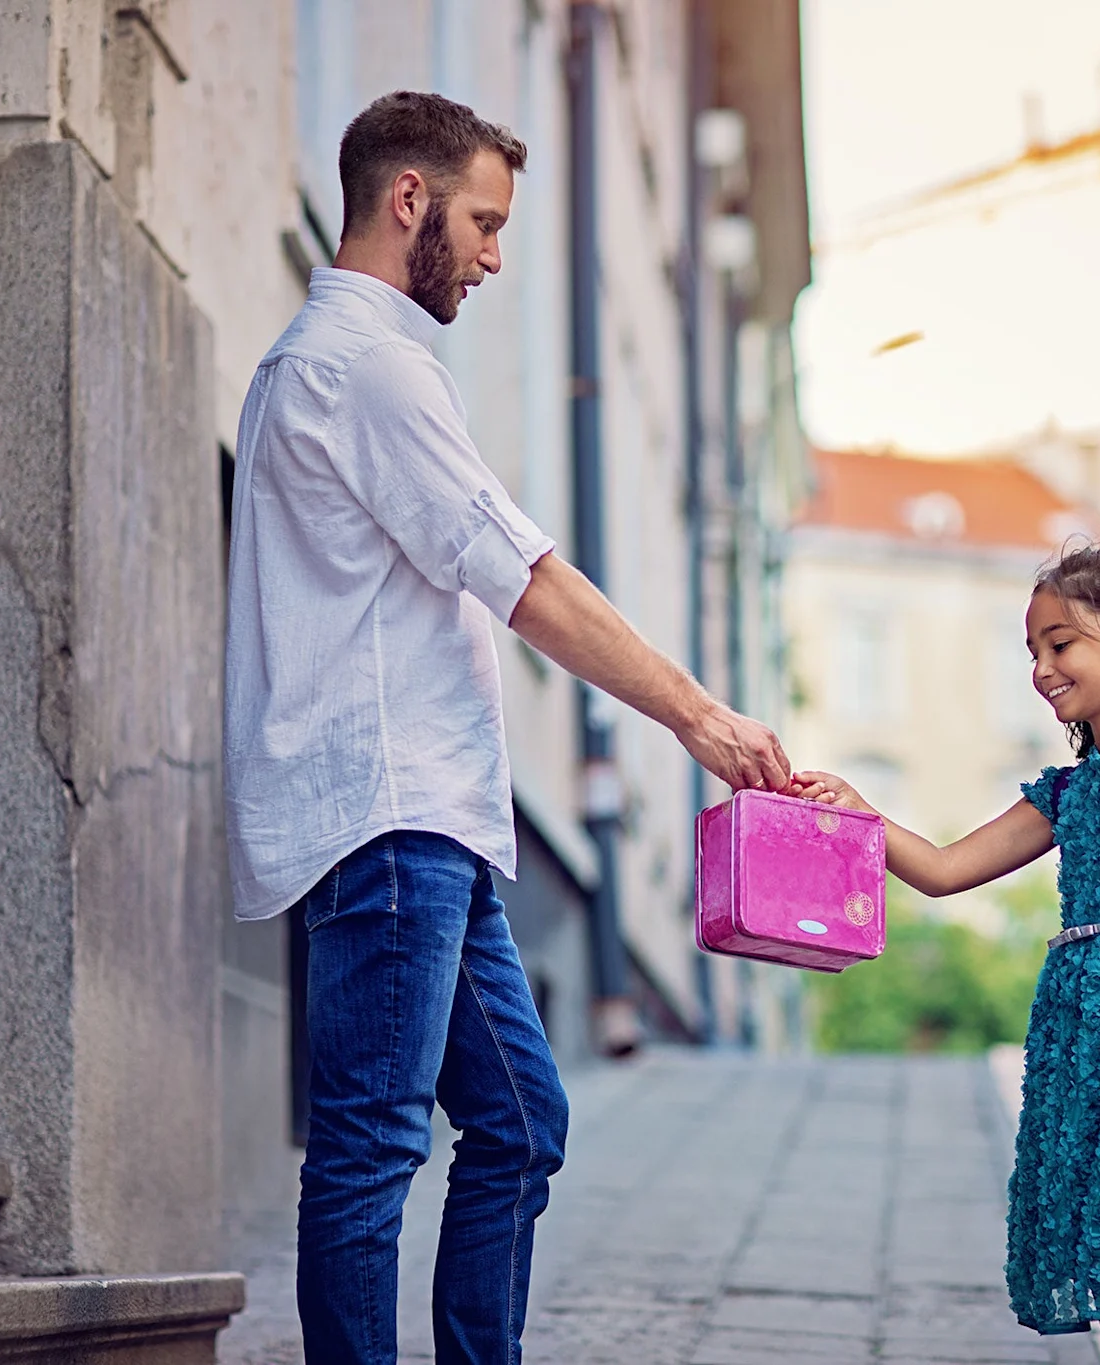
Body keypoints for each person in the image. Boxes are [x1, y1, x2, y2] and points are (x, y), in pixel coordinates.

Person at [223, 91, 790, 1365]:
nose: (492, 255)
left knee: (523, 1121)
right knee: (371, 1145)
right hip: (387, 816)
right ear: (409, 201)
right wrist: (695, 715)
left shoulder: (327, 367)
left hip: (435, 820)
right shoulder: (364, 367)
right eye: (482, 223)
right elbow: (521, 576)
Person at [790, 546, 1100, 1365]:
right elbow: (946, 870)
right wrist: (858, 811)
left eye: (1060, 644)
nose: (1042, 668)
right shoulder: (1068, 788)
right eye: (1032, 652)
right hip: (1080, 1050)